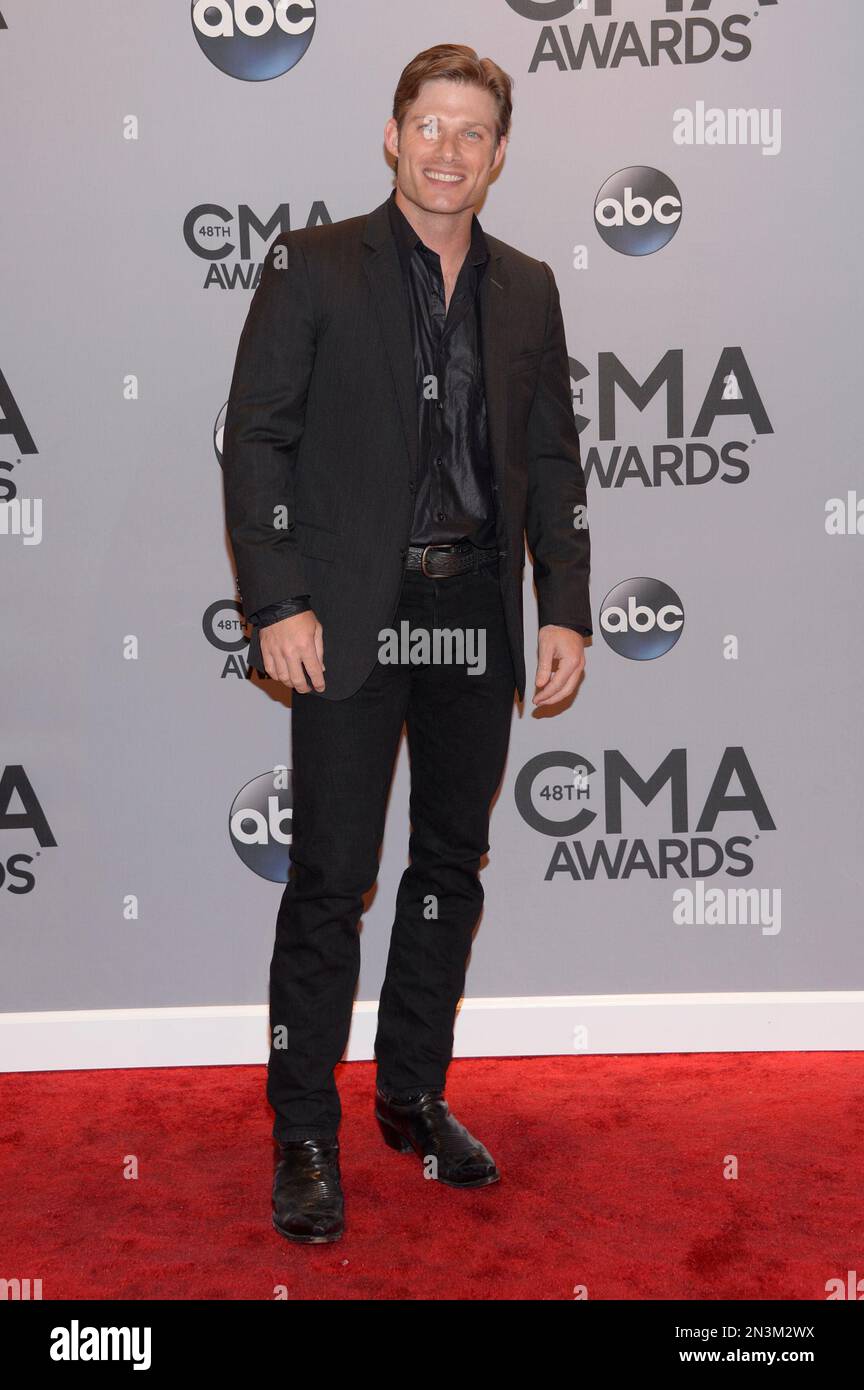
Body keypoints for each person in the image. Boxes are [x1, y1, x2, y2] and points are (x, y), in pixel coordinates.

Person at [222, 43, 592, 1244]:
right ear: (392, 136)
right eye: (428, 125)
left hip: (472, 616)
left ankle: (412, 1094)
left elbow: (552, 463)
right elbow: (258, 441)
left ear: (497, 153)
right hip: (345, 618)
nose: (447, 149)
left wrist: (567, 607)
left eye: (472, 132)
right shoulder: (315, 265)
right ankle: (303, 1130)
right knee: (331, 876)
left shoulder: (529, 286)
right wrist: (278, 601)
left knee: (448, 867)